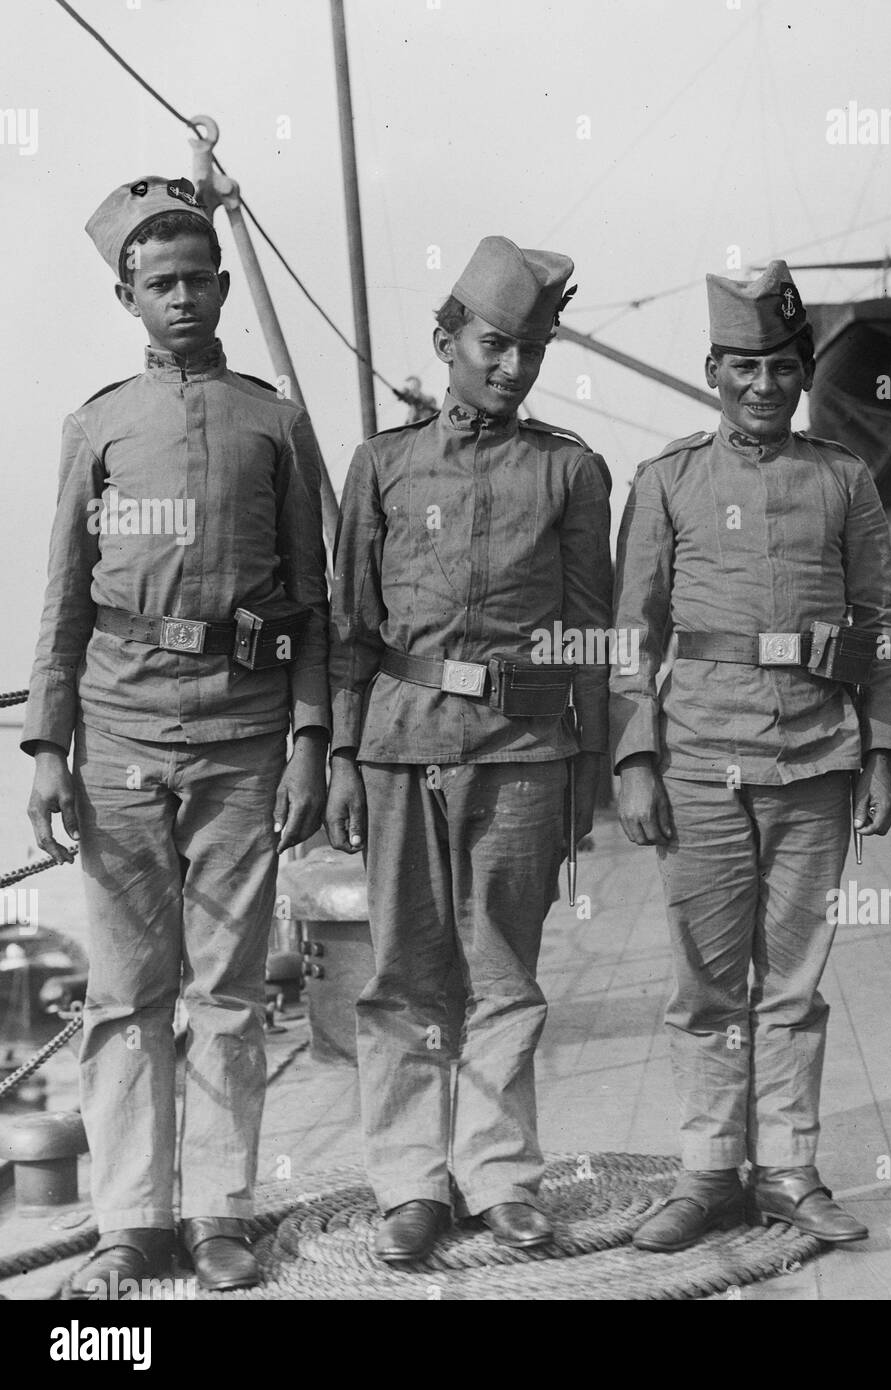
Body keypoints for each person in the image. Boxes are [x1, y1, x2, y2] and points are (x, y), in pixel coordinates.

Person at [23, 176, 330, 1296]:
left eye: (202, 280)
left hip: (245, 738)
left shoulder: (275, 424)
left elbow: (314, 597)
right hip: (119, 736)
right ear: (127, 294)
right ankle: (129, 1218)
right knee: (124, 994)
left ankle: (218, 1212)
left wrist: (308, 737)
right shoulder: (96, 426)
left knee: (230, 994)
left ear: (224, 284)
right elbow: (60, 599)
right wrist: (48, 748)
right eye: (162, 285)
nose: (185, 299)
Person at [610, 261, 891, 1252]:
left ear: (804, 371)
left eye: (783, 366)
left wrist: (884, 750)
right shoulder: (668, 482)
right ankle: (707, 1172)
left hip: (818, 755)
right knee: (704, 982)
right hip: (699, 754)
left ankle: (787, 1168)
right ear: (713, 371)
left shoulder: (845, 480)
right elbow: (630, 633)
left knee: (793, 983)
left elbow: (883, 624)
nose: (765, 385)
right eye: (745, 366)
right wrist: (635, 753)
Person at [326, 236, 612, 1263]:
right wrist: (341, 759)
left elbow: (589, 634)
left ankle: (497, 1174)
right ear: (446, 340)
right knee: (404, 972)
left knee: (504, 972)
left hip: (525, 750)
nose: (512, 367)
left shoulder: (571, 472)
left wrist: (586, 770)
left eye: (531, 350)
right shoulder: (383, 467)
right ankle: (409, 1181)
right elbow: (351, 628)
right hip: (402, 746)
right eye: (494, 344)